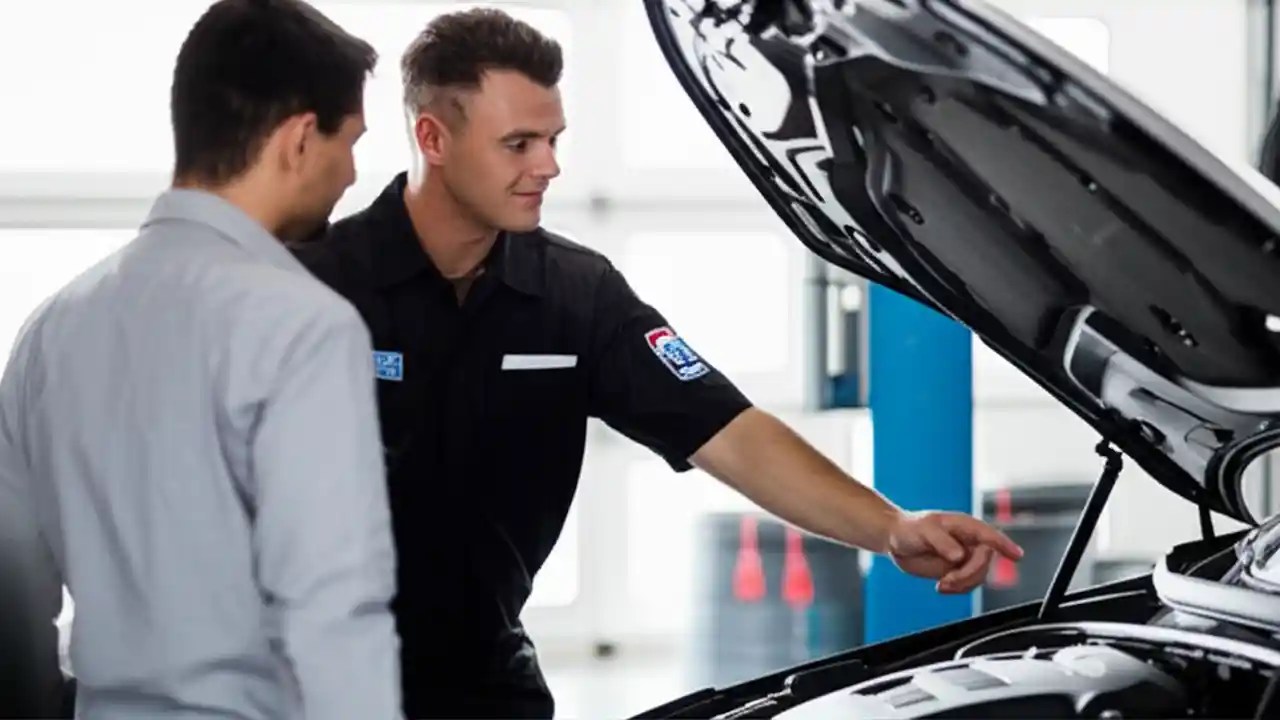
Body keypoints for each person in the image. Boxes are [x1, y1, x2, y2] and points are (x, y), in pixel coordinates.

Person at [291, 8, 1024, 719]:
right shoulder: (311, 285)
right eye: (518, 144)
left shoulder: (576, 294)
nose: (548, 166)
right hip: (307, 688)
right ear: (433, 137)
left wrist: (891, 527)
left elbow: (728, 432)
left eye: (553, 139)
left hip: (488, 686)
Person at [0, 1, 403, 718]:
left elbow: (15, 595)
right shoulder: (304, 326)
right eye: (349, 142)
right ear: (298, 139)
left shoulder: (52, 329)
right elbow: (333, 614)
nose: (350, 175)